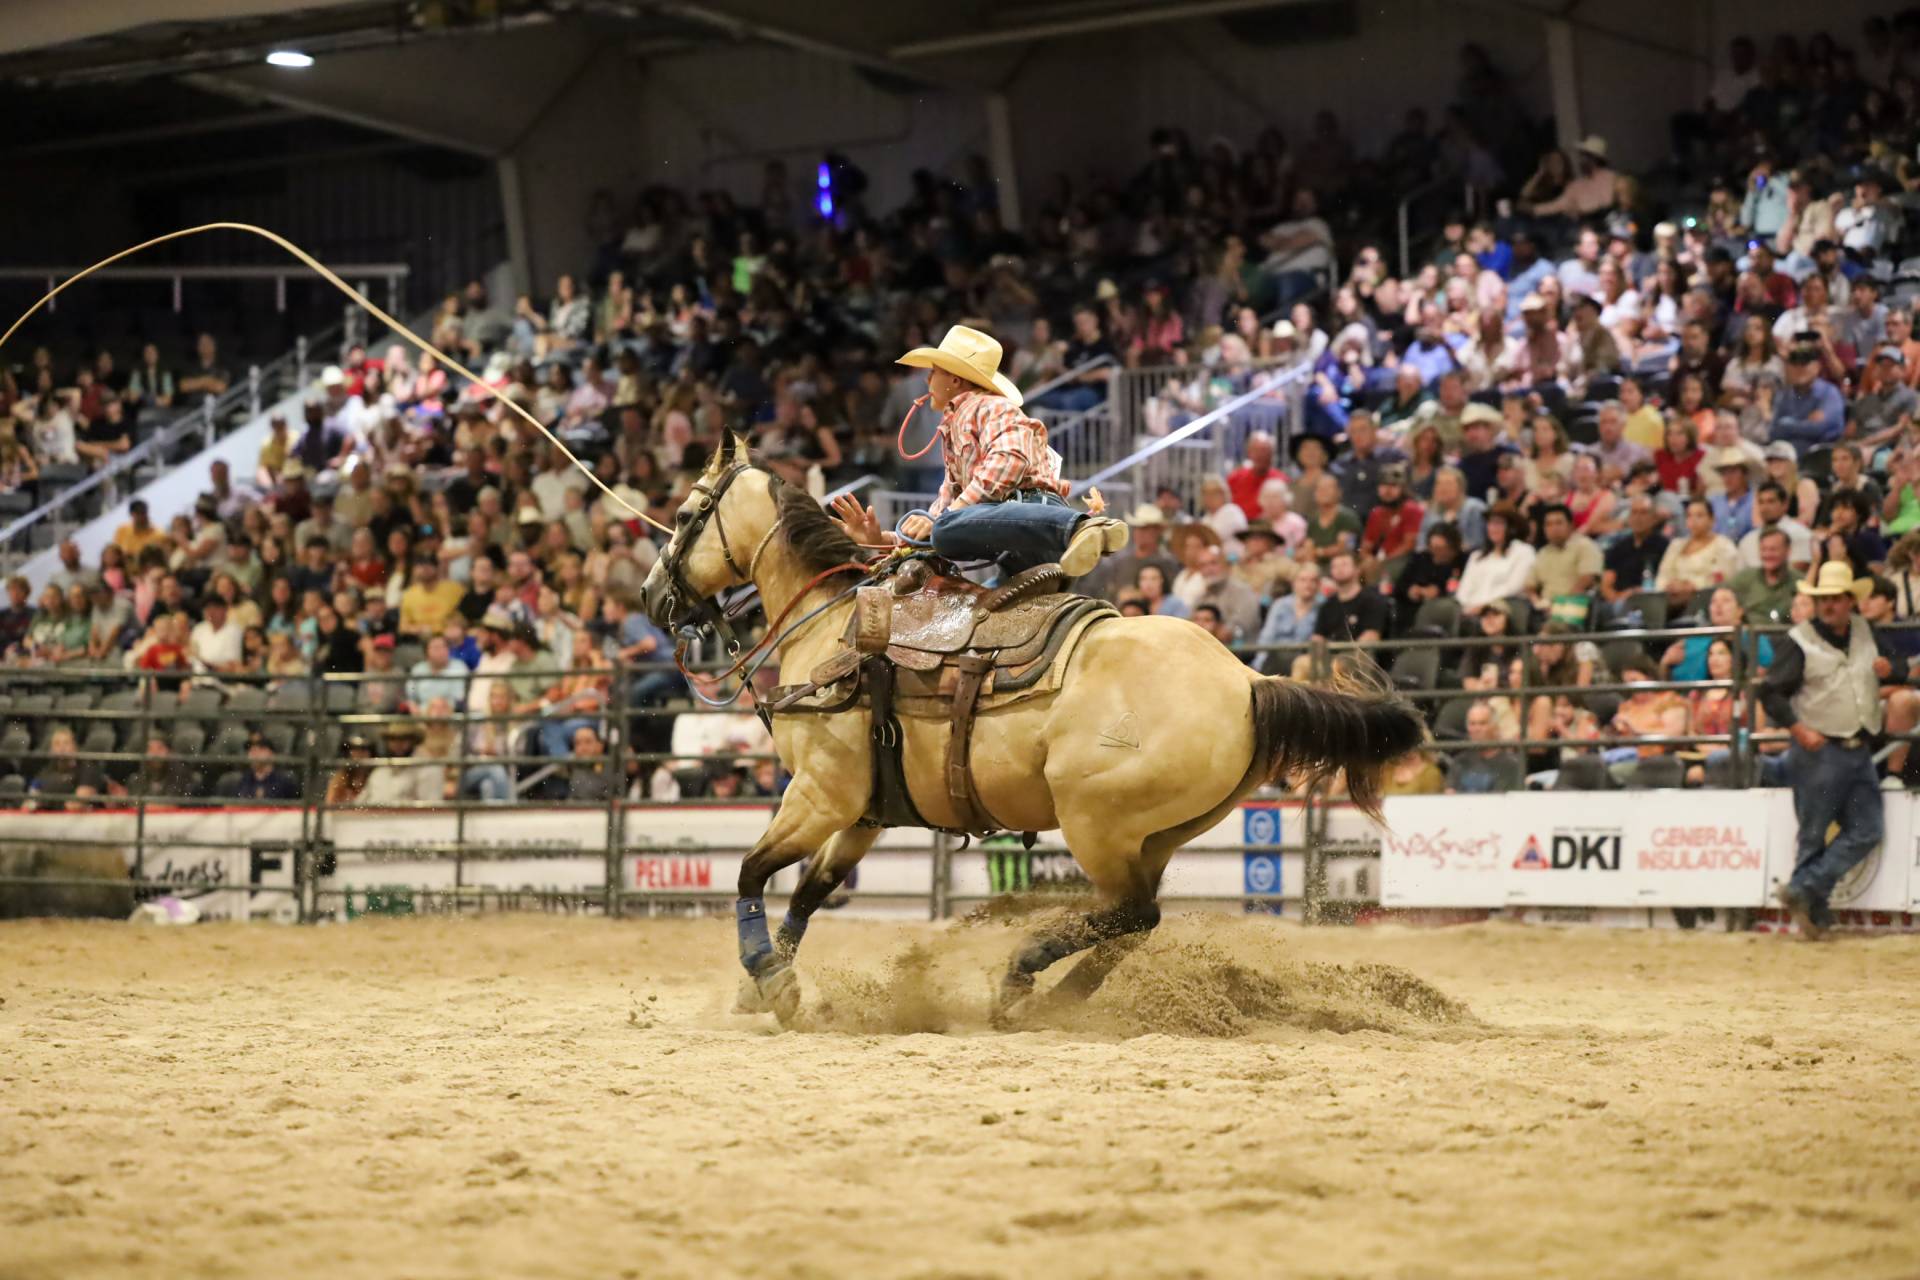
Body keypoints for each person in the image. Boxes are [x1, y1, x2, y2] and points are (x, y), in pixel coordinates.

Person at [858, 326, 1123, 578]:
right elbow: (943, 509)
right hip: (1015, 542)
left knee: (944, 530)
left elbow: (1009, 461)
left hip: (1031, 511)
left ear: (954, 379)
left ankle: (1079, 527)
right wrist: (884, 540)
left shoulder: (989, 406)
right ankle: (1065, 545)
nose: (927, 379)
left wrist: (946, 517)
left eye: (934, 371)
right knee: (953, 544)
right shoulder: (956, 425)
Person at [1760, 562, 1885, 940]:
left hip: (1857, 746)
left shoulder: (1864, 631)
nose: (1829, 605)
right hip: (1820, 749)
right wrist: (1798, 728)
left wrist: (1890, 668)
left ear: (1850, 601)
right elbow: (1769, 692)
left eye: (1836, 598)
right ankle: (1816, 914)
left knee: (1867, 829)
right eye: (1823, 599)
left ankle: (1804, 889)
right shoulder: (1799, 640)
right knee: (1815, 833)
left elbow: (1883, 669)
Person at [1252, 563, 1320, 672]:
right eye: (1303, 580)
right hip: (1276, 660)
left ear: (1318, 585)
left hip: (1305, 664)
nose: (1308, 585)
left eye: (1313, 581)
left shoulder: (1322, 608)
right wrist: (1259, 665)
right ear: (1294, 583)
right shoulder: (1280, 605)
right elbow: (1267, 637)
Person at [1449, 700, 1525, 794]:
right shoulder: (1459, 762)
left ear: (1495, 727)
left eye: (1482, 723)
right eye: (1472, 724)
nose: (1477, 729)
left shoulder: (1511, 764)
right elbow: (1450, 794)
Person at [230, 734, 299, 800]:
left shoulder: (285, 782)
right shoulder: (242, 781)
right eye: (250, 749)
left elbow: (295, 809)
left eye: (261, 748)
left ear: (272, 754)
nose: (254, 752)